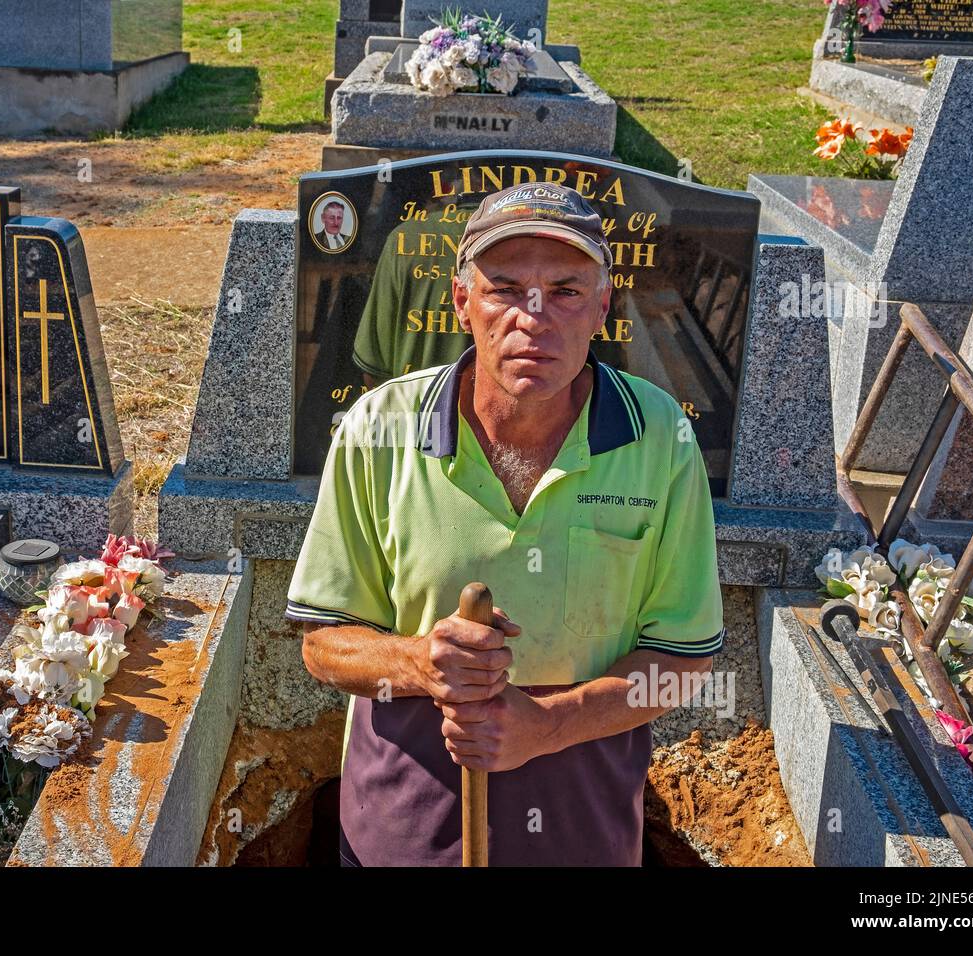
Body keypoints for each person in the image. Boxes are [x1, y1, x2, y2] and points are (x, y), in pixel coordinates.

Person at [286, 183, 723, 866]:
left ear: (604, 306)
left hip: (584, 828)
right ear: (463, 302)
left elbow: (684, 666)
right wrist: (423, 663)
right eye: (505, 288)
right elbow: (323, 645)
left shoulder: (661, 439)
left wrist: (546, 727)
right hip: (402, 826)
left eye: (568, 291)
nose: (534, 317)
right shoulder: (379, 429)